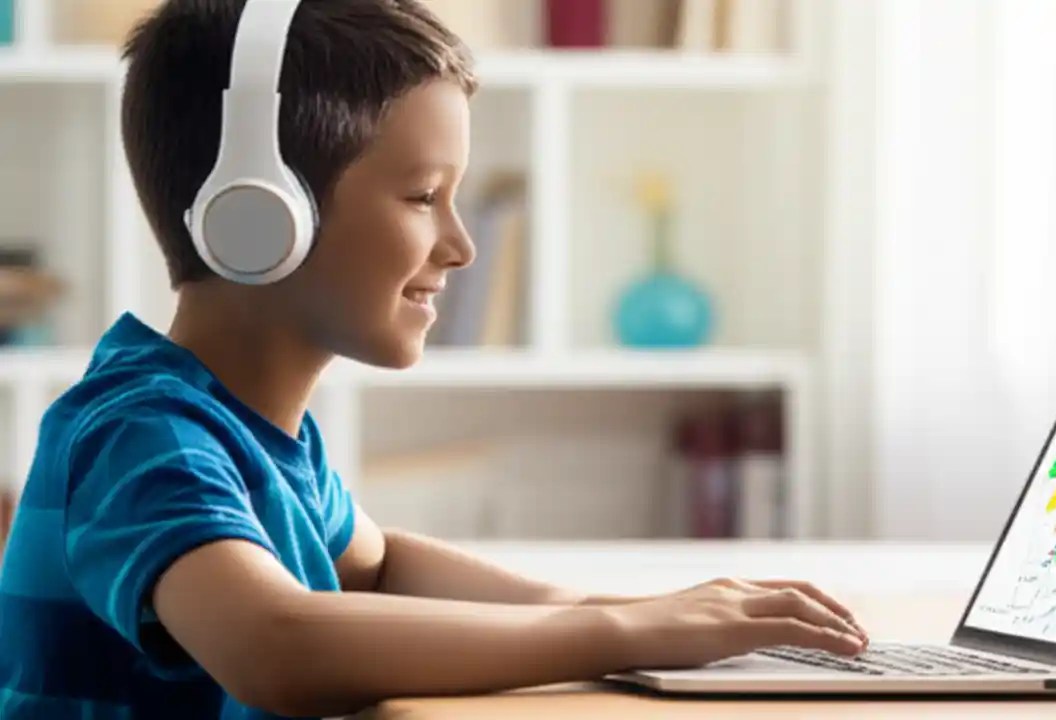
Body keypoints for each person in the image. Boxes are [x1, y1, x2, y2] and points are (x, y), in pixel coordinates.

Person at [0, 2, 868, 718]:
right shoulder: (142, 434)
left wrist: (614, 610)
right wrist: (618, 636)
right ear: (259, 215)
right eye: (423, 197)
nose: (460, 246)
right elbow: (278, 644)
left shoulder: (242, 430)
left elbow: (379, 566)